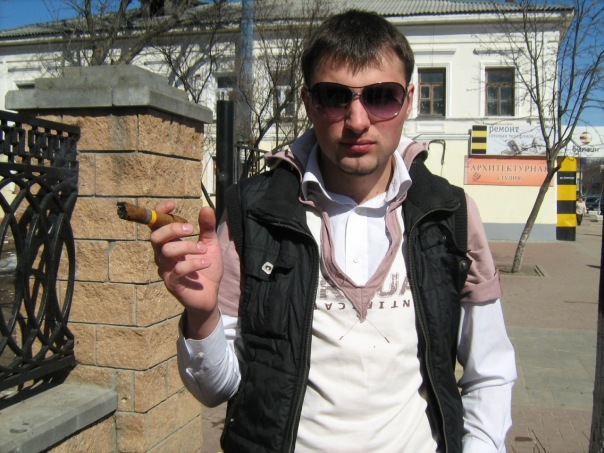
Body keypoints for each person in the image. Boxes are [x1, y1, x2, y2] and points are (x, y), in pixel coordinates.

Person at [151, 9, 516, 453]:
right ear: (309, 103)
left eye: (381, 96)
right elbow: (215, 390)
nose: (358, 120)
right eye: (334, 97)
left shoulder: (450, 214)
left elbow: (489, 372)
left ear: (409, 100)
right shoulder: (252, 214)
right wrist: (203, 316)